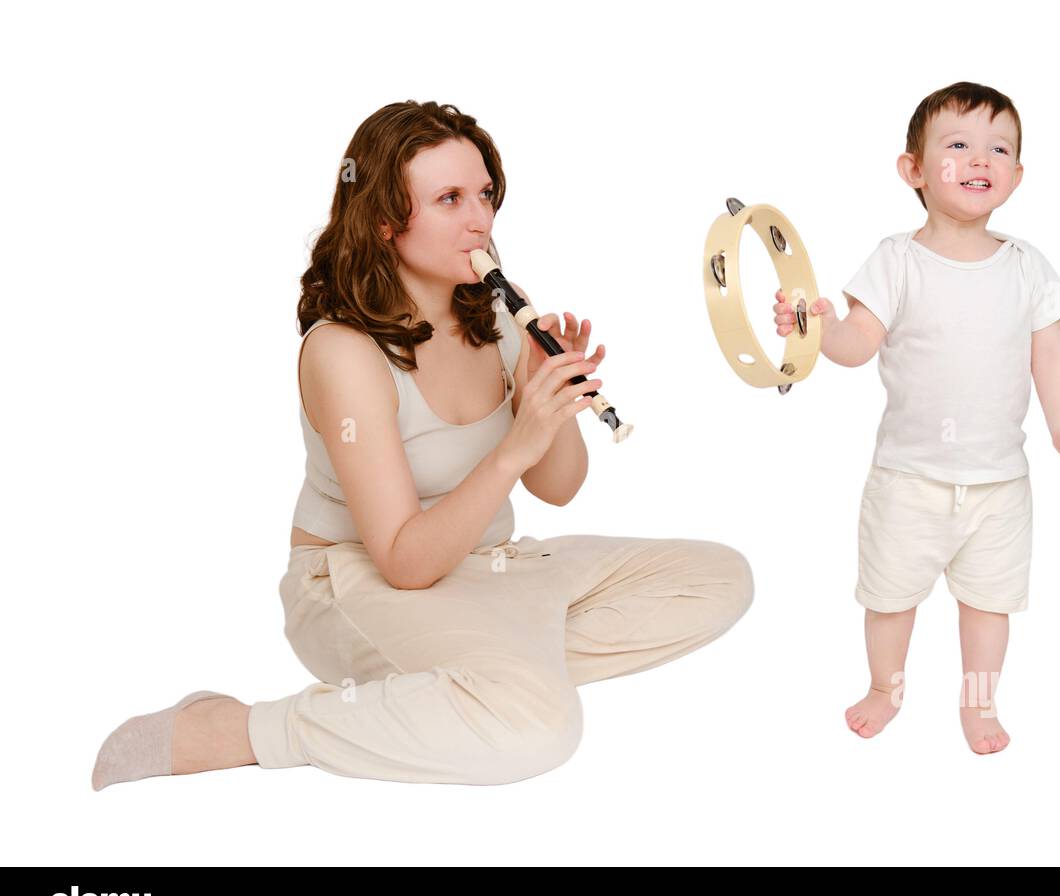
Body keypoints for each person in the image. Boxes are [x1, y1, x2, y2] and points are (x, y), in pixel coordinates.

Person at [92, 100, 754, 789]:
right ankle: (246, 729)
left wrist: (547, 402)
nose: (481, 220)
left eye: (485, 194)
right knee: (539, 727)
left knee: (720, 578)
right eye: (449, 199)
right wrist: (511, 448)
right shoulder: (343, 352)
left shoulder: (501, 307)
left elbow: (559, 488)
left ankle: (485, 669)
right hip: (355, 582)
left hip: (484, 569)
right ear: (384, 220)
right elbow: (404, 562)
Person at [772, 82, 1060, 754]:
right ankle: (883, 689)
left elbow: (1052, 352)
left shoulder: (1026, 266)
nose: (980, 159)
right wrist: (816, 328)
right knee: (890, 599)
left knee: (990, 606)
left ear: (1016, 174)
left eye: (999, 148)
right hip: (909, 480)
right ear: (914, 170)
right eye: (958, 145)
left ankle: (979, 704)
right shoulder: (896, 260)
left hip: (1000, 483)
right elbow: (856, 346)